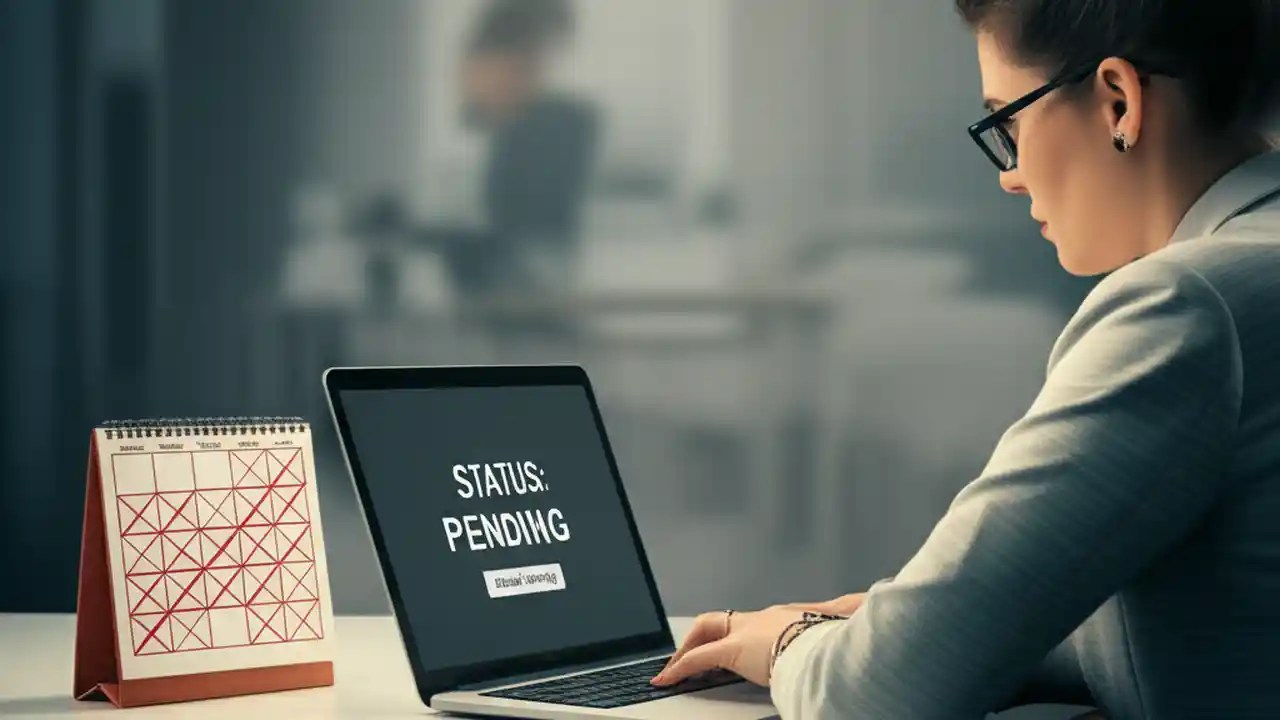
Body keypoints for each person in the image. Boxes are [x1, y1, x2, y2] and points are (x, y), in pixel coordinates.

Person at [650, 2, 1280, 718]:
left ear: (1117, 102)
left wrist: (792, 644)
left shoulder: (1185, 307)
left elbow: (871, 701)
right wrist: (915, 628)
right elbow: (1218, 625)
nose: (1010, 176)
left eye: (1009, 123)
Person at [425, 0, 598, 297]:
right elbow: (476, 116)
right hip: (516, 238)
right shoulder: (525, 115)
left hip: (536, 243)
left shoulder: (566, 120)